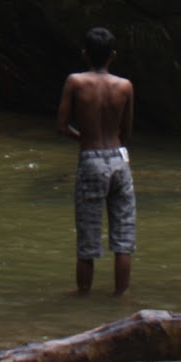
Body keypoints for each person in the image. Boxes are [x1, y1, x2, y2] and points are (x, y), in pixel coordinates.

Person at [56, 26, 136, 296]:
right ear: (113, 56)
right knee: (123, 237)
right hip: (118, 159)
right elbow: (127, 131)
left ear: (85, 54)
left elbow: (61, 126)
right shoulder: (125, 86)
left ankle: (83, 298)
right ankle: (120, 299)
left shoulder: (75, 82)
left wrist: (84, 138)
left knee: (88, 237)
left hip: (90, 158)